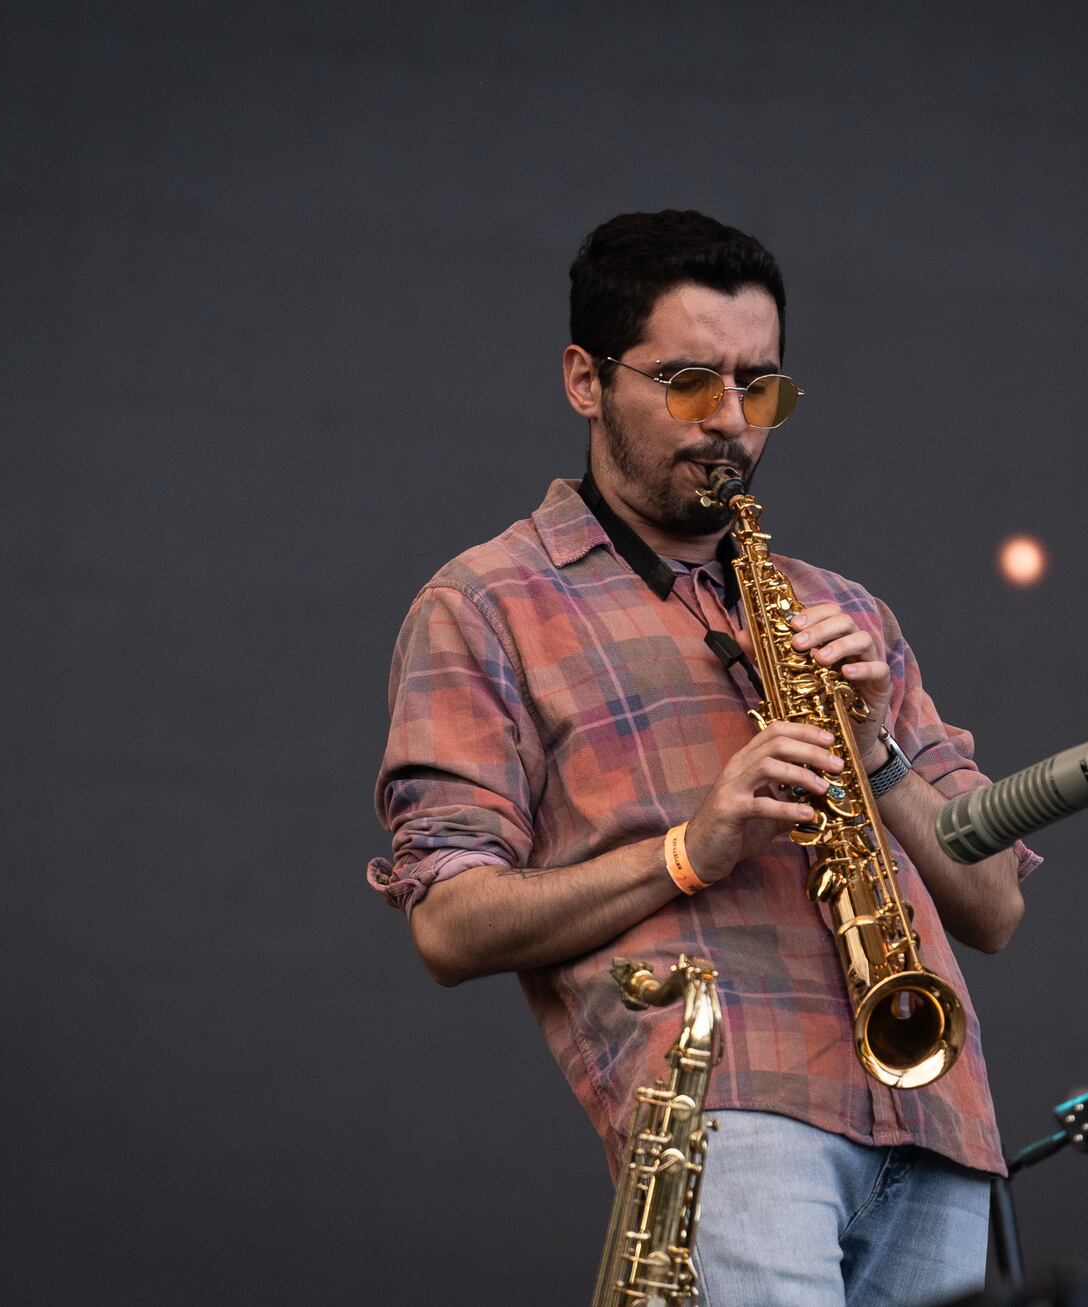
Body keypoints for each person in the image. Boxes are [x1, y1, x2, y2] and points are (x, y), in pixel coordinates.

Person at [367, 210, 1038, 1306]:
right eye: (688, 383)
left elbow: (996, 905)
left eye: (757, 387)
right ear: (585, 379)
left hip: (941, 1115)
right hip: (732, 1107)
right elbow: (448, 922)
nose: (729, 421)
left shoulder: (847, 610)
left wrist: (874, 752)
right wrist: (690, 847)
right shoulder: (484, 603)